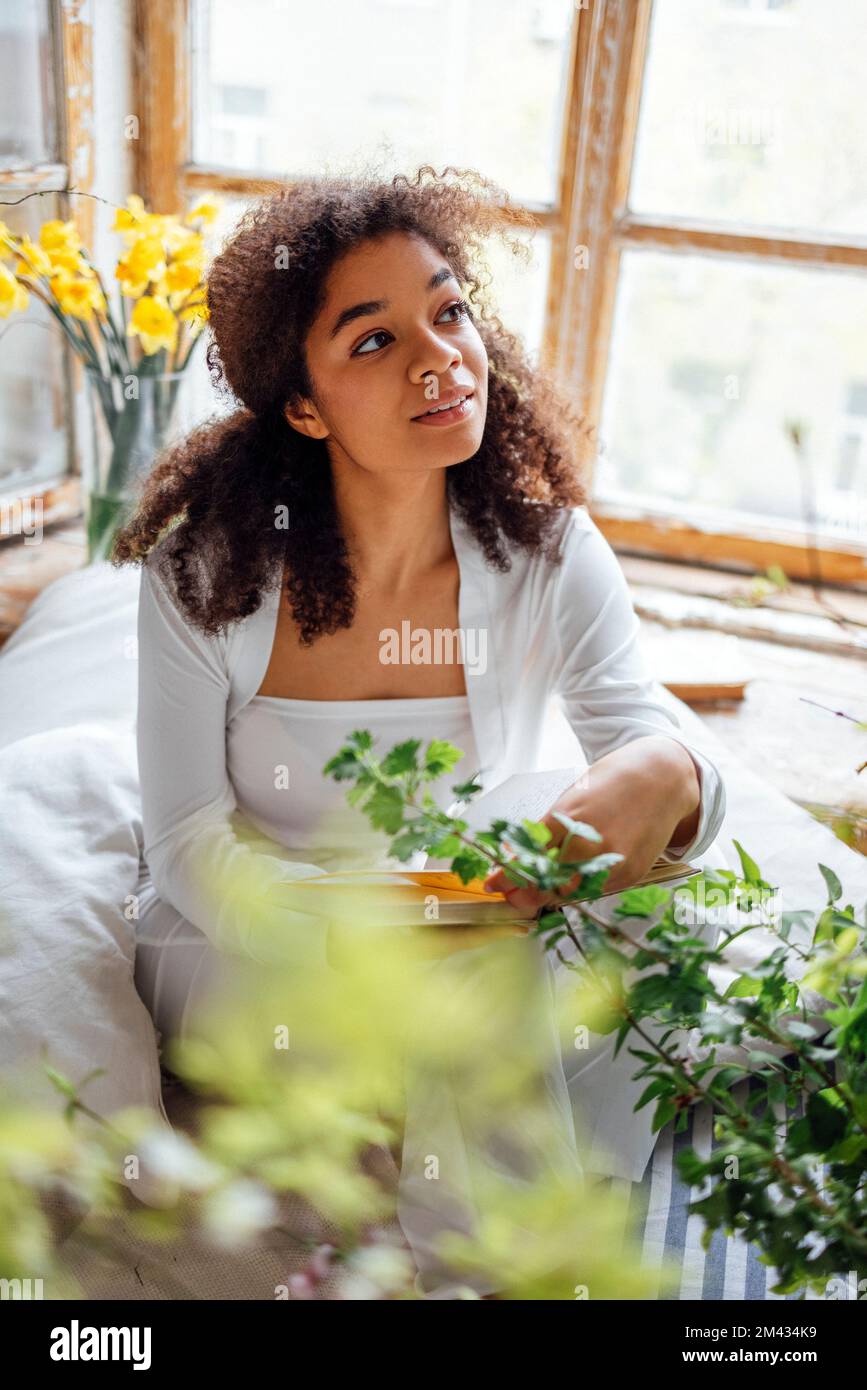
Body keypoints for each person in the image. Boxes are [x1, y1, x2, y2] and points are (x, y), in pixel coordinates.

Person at [112, 165, 726, 1298]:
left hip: (473, 928)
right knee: (486, 984)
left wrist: (668, 769)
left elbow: (646, 742)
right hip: (260, 954)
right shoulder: (204, 575)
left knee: (558, 953)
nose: (439, 355)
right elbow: (189, 838)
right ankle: (490, 1271)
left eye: (449, 310)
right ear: (303, 404)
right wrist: (351, 933)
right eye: (373, 341)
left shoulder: (549, 555)